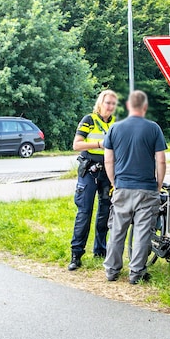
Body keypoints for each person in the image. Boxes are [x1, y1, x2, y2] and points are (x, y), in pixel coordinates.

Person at [102, 90, 166, 284]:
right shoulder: (154, 128)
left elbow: (108, 160)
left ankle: (112, 270)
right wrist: (158, 185)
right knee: (142, 232)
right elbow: (161, 161)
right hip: (147, 189)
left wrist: (114, 182)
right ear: (144, 107)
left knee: (117, 230)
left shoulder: (115, 129)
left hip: (122, 186)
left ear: (128, 106)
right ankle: (136, 273)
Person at [69, 89, 119, 270]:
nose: (110, 107)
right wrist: (99, 144)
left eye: (113, 104)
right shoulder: (89, 120)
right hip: (89, 169)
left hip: (108, 170)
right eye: (108, 103)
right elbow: (77, 144)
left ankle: (101, 250)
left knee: (105, 213)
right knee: (85, 212)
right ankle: (76, 254)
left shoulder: (116, 123)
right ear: (100, 103)